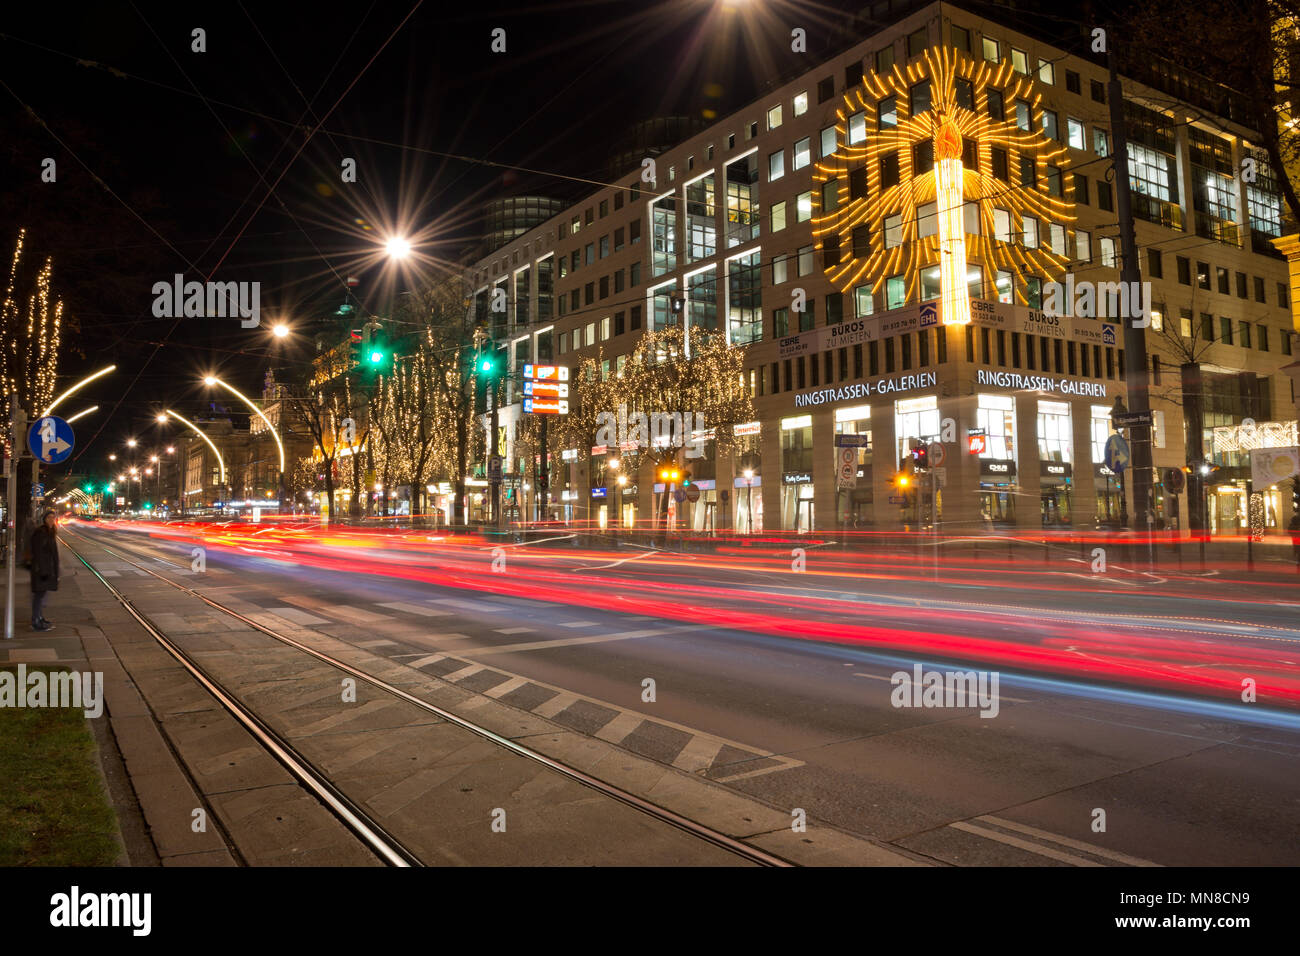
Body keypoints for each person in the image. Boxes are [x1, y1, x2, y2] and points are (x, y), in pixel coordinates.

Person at [30, 510, 59, 631]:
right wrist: (43, 570)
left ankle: (39, 617)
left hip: (46, 568)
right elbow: (38, 552)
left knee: (41, 594)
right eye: (49, 518)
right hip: (41, 570)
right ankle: (36, 621)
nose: (51, 520)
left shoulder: (49, 532)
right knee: (39, 595)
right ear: (44, 519)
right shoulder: (41, 532)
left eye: (53, 517)